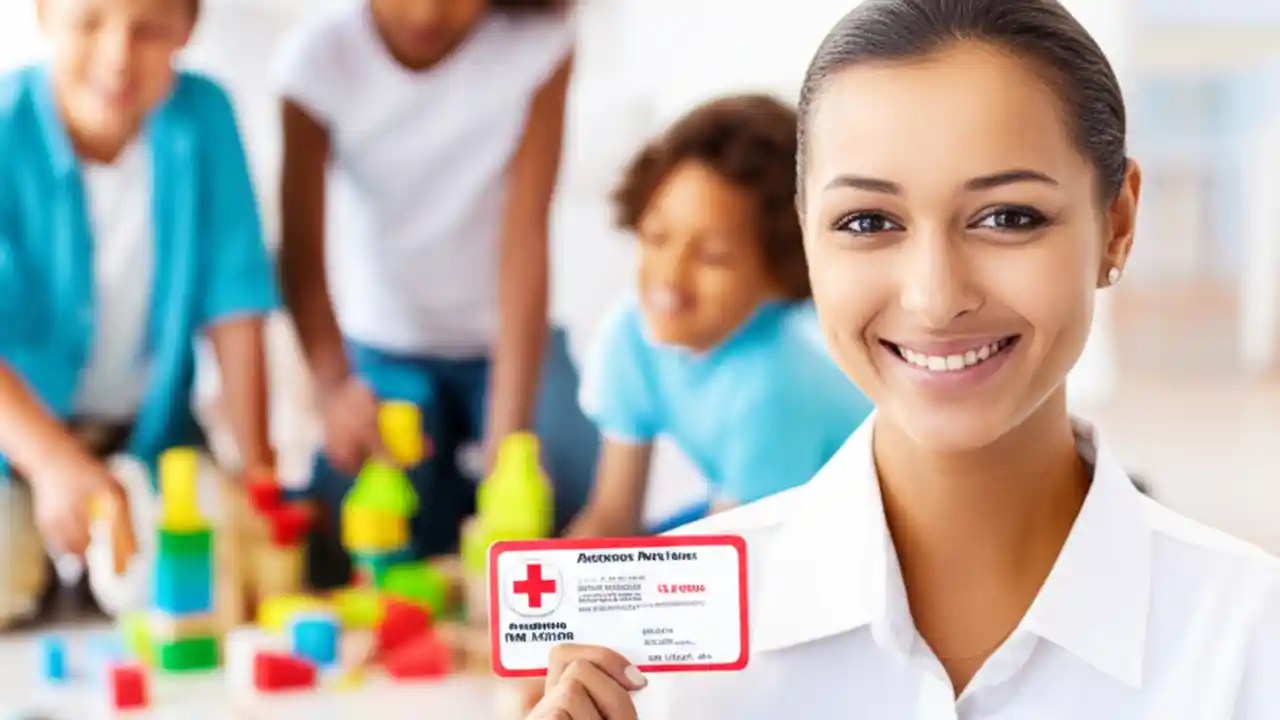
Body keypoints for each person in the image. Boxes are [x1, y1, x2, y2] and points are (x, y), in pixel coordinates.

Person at [527, 1, 1280, 718]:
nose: (934, 298)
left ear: (1116, 224)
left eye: (1007, 217)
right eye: (868, 222)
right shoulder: (653, 661)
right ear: (807, 238)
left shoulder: (1251, 639)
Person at [274, 0, 599, 587]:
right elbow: (300, 253)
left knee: (566, 489)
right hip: (384, 345)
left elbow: (525, 241)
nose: (426, 13)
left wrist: (509, 434)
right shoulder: (317, 58)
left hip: (507, 344)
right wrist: (334, 389)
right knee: (363, 505)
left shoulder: (539, 45)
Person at [0, 0, 278, 627]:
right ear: (43, 15)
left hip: (152, 435)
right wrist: (51, 462)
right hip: (17, 439)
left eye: (148, 31)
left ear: (188, 27)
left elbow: (236, 306)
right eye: (89, 23)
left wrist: (258, 467)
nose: (118, 57)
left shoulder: (204, 116)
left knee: (214, 576)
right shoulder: (5, 127)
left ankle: (88, 556)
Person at [567, 95, 873, 537]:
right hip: (751, 522)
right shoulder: (632, 332)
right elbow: (612, 519)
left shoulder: (772, 390)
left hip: (848, 537)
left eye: (713, 256)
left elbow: (732, 562)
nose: (670, 275)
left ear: (781, 269)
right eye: (657, 236)